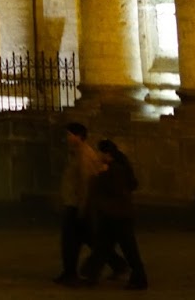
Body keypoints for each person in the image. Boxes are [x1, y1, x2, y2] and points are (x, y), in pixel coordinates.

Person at [55, 122, 124, 285]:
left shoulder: (84, 155)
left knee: (71, 241)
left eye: (70, 134)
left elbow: (86, 182)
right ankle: (117, 264)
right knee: (88, 239)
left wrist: (83, 207)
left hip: (77, 205)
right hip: (76, 203)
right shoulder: (77, 153)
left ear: (78, 136)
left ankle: (71, 273)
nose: (67, 137)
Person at [80, 139, 148, 290]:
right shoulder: (115, 168)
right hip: (113, 214)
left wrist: (101, 175)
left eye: (100, 152)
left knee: (128, 249)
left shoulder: (115, 170)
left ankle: (139, 279)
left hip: (118, 215)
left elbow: (116, 191)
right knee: (102, 246)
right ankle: (91, 275)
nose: (98, 155)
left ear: (106, 154)